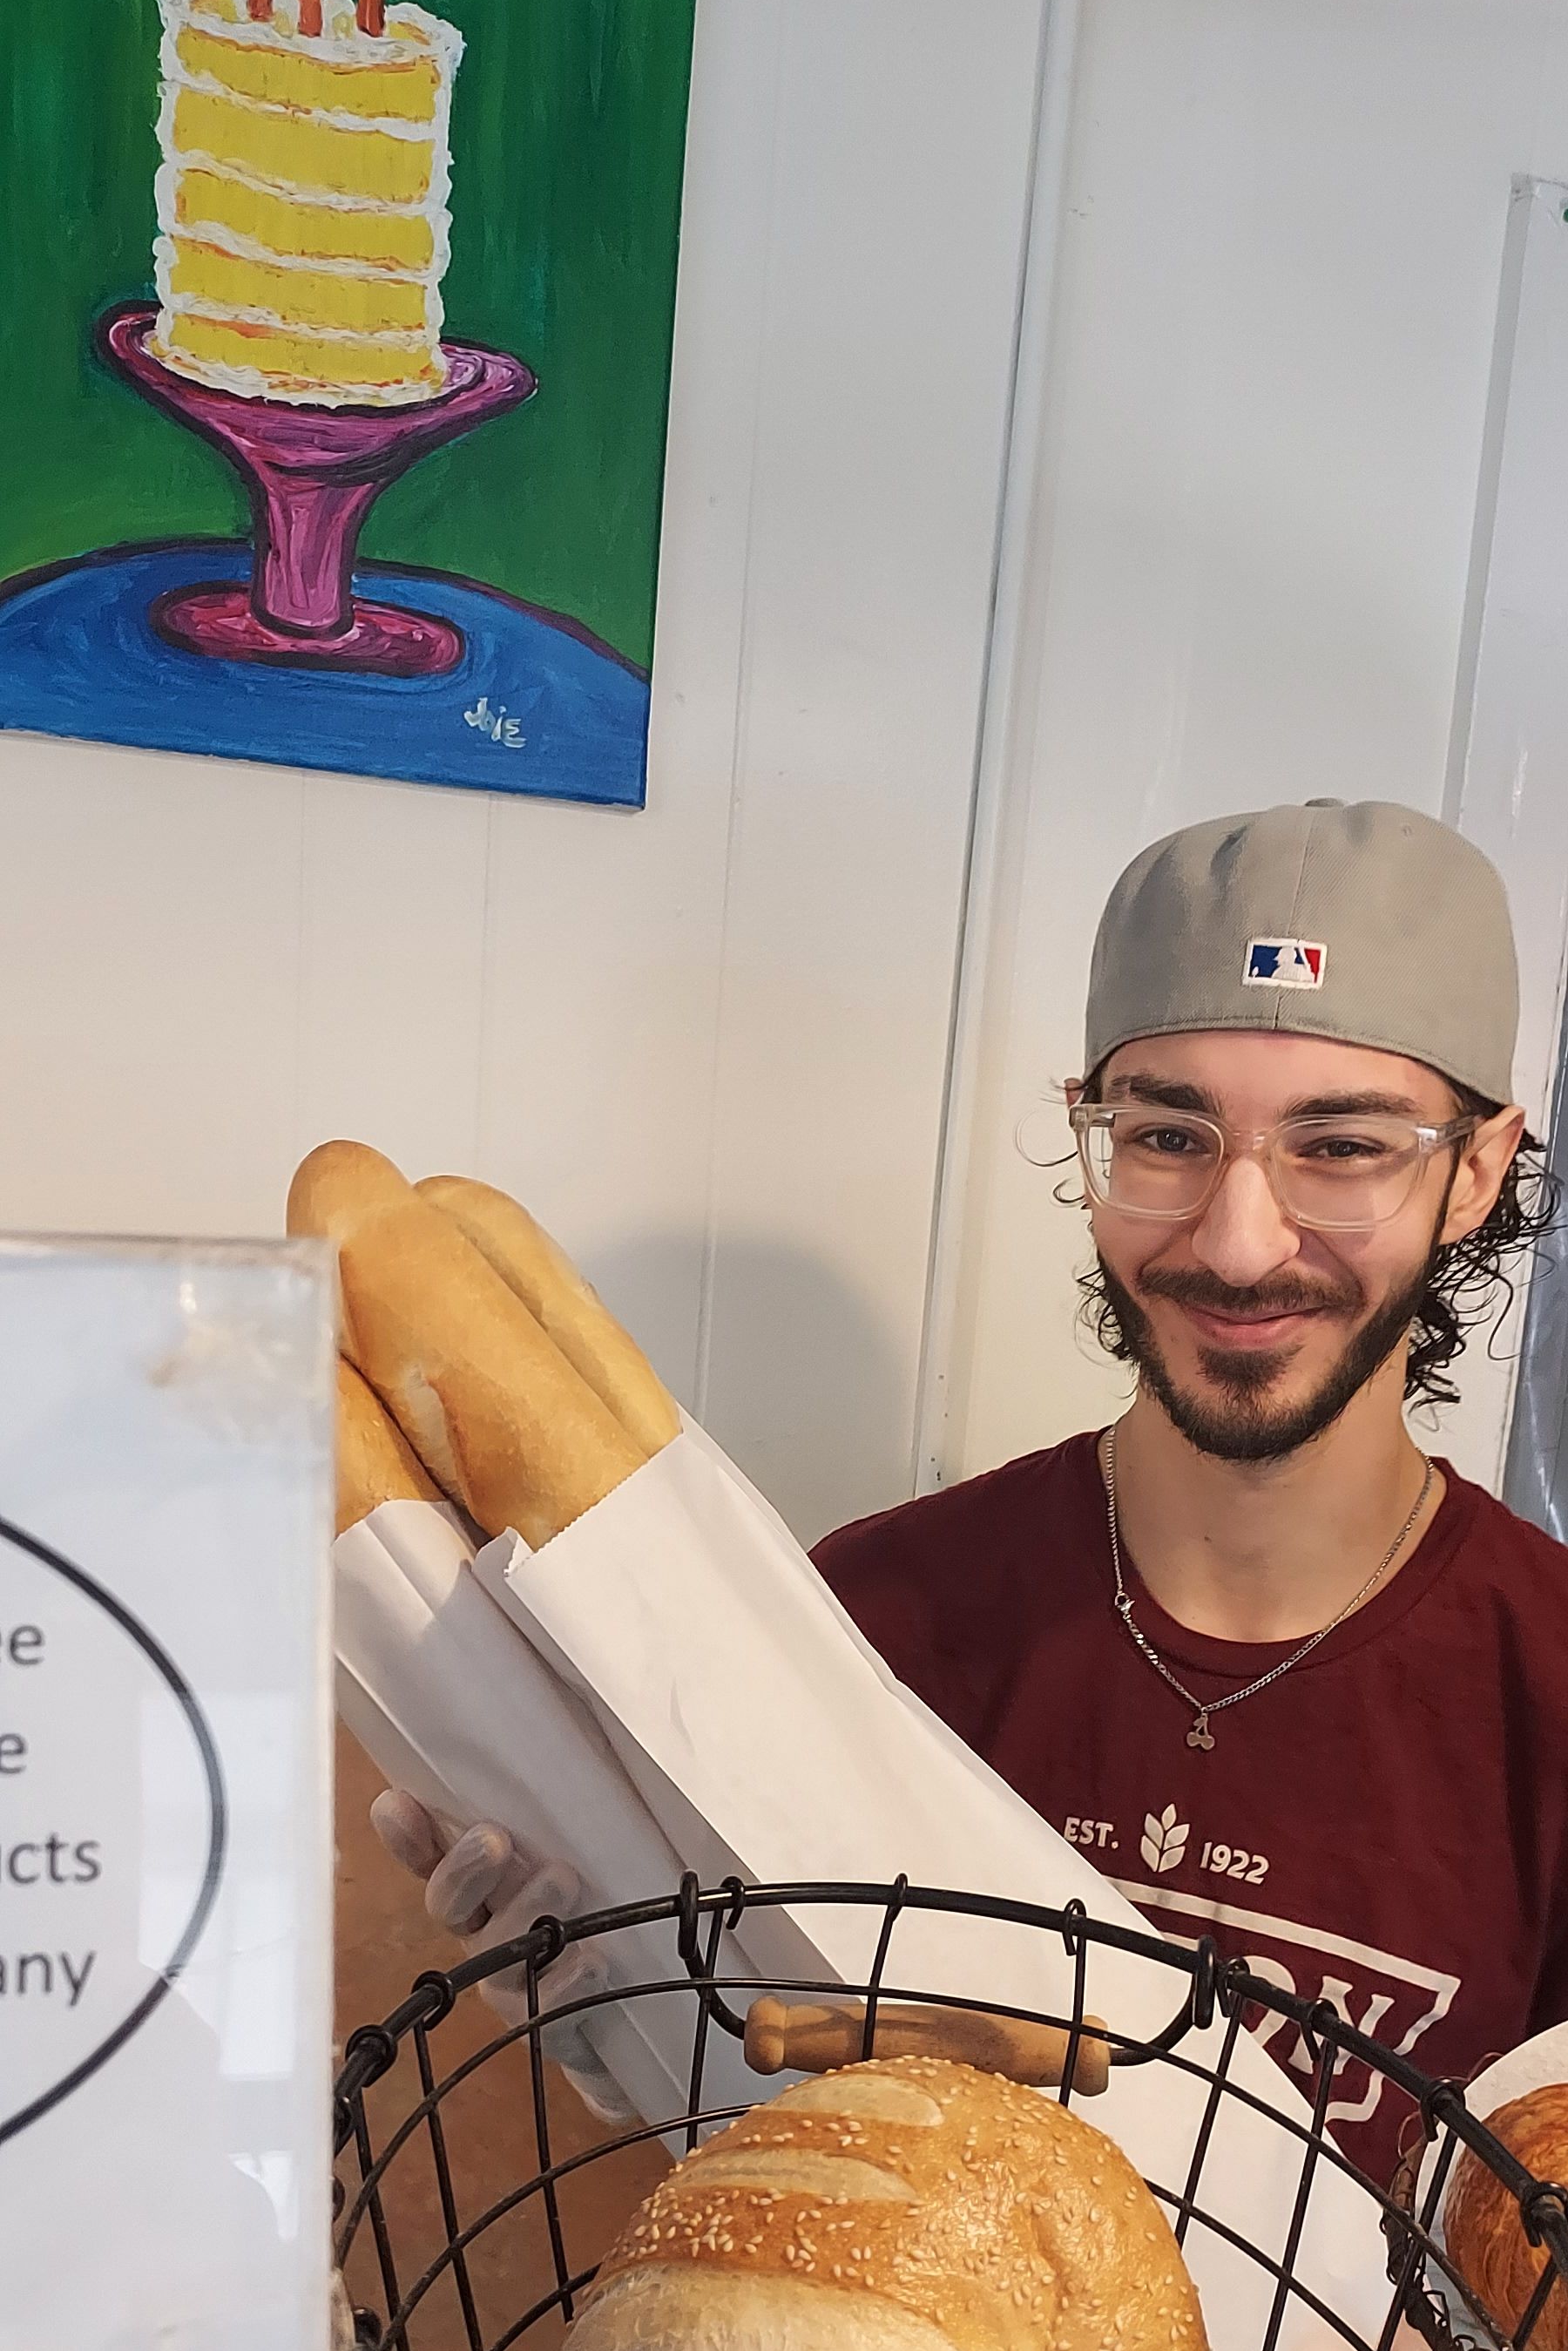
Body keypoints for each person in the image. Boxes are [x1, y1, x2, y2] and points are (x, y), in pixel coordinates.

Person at [377, 797, 1568, 2206]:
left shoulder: (1545, 1687)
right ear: (1091, 1137)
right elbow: (782, 2105)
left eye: (1345, 1147)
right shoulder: (868, 1618)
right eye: (1170, 1135)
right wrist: (613, 2007)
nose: (1242, 1243)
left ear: (1478, 1170)